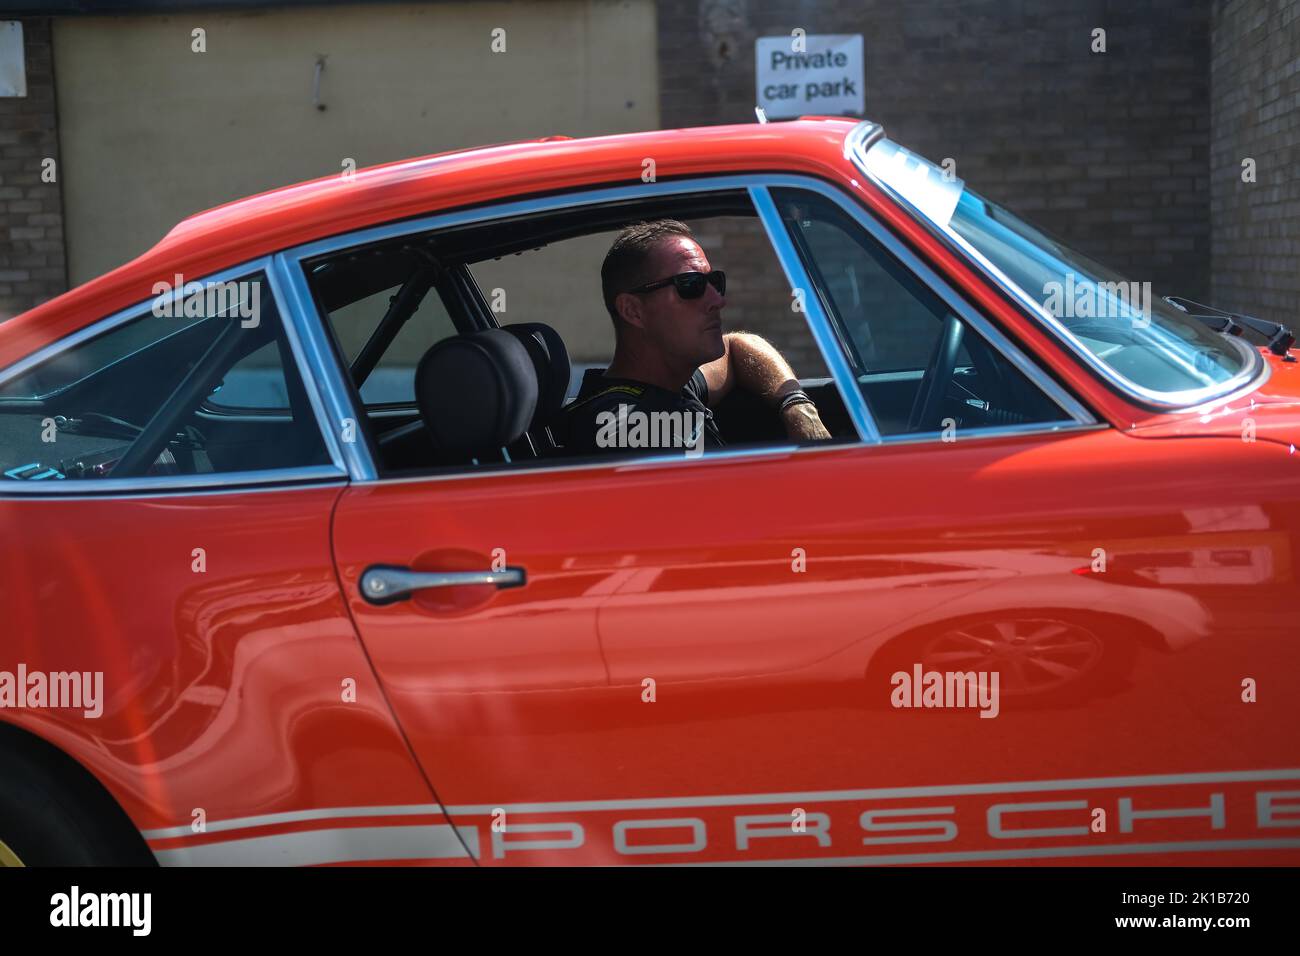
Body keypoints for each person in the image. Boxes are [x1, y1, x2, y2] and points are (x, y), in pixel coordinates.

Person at [557, 219, 831, 457]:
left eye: (715, 282)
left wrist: (795, 404)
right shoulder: (625, 428)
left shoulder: (671, 383)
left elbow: (736, 346)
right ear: (633, 311)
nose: (717, 299)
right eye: (691, 286)